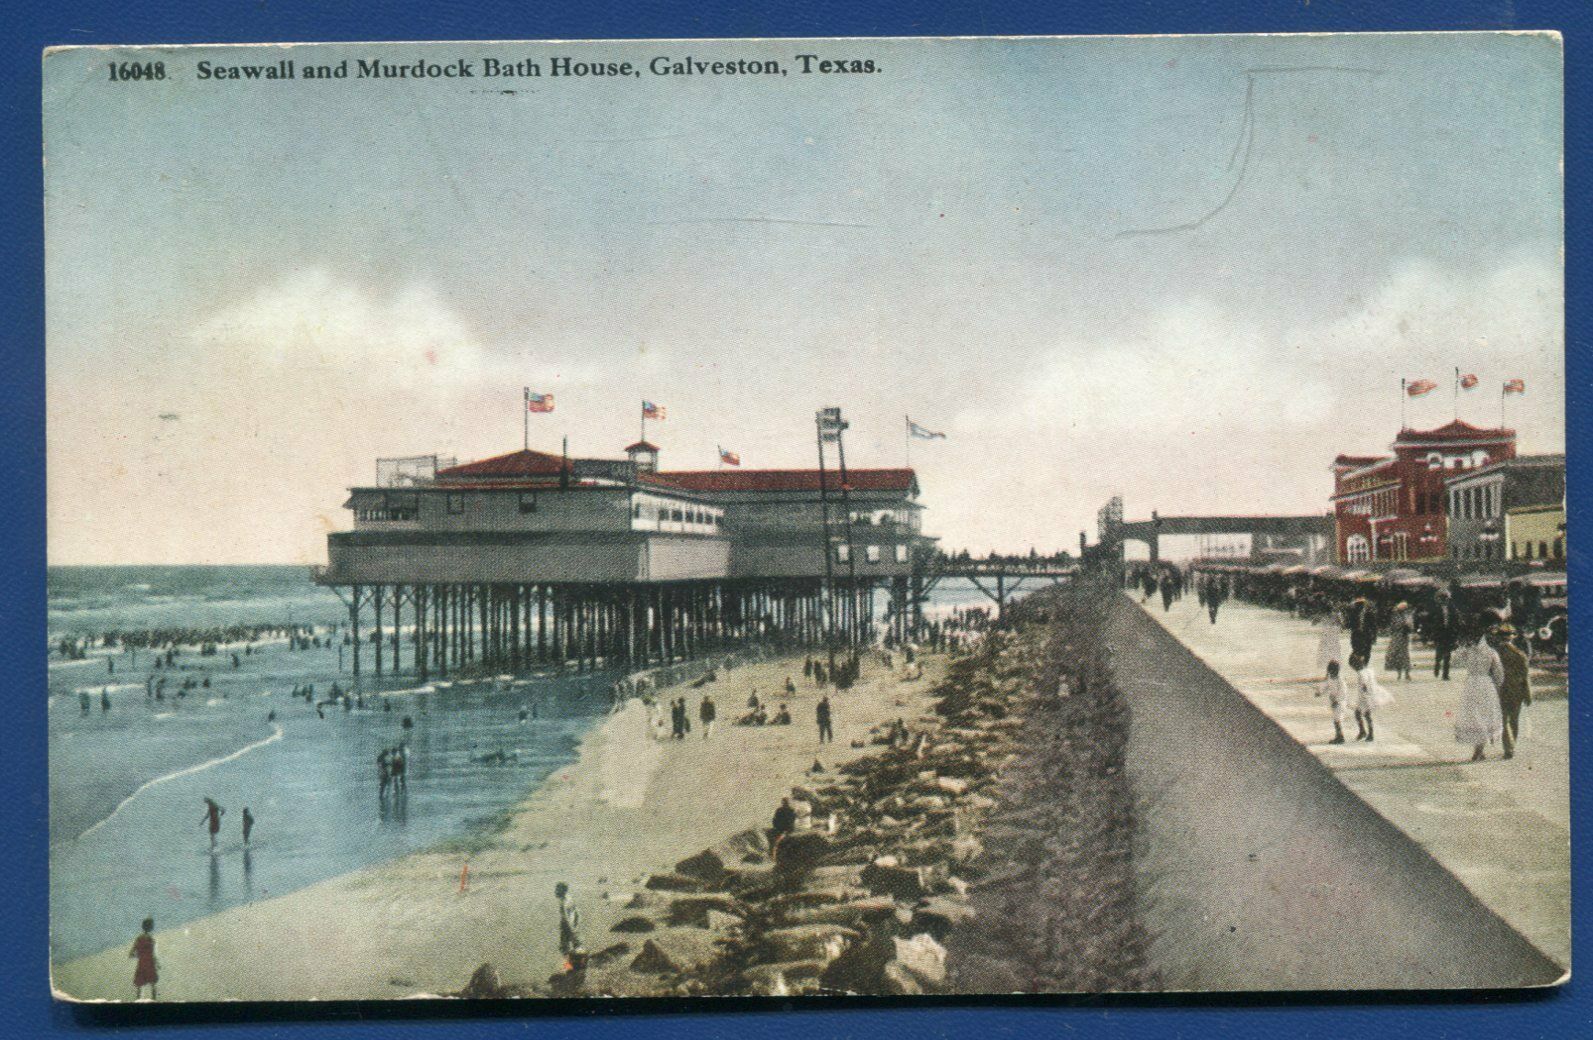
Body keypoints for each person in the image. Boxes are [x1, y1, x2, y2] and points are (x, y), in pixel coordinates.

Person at [1454, 626, 1505, 762]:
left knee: (1475, 716)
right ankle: (1479, 750)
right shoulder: (1491, 652)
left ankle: (1478, 750)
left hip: (1472, 684)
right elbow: (1499, 674)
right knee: (1483, 715)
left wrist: (1462, 648)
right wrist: (1497, 686)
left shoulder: (1468, 651)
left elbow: (1455, 662)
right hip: (1485, 684)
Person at [1493, 625, 1533, 760]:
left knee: (1503, 720)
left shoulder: (1494, 654)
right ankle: (1512, 746)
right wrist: (1528, 695)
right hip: (1517, 691)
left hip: (1500, 690)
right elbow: (1525, 676)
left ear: (1498, 637)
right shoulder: (1520, 654)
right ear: (1512, 637)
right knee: (1514, 720)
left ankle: (1508, 748)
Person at [1350, 652, 1392, 742]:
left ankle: (1368, 733)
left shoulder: (1361, 674)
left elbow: (1364, 686)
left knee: (1363, 715)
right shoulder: (1369, 670)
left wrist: (1365, 698)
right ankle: (1364, 731)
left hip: (1364, 697)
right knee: (1361, 714)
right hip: (1370, 695)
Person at [1429, 590, 1461, 681]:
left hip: (1449, 634)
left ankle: (1445, 675)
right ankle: (1437, 665)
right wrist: (1434, 634)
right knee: (1439, 654)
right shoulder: (1436, 608)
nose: (1444, 600)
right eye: (1442, 598)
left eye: (1446, 598)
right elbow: (1432, 622)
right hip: (1440, 634)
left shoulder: (1452, 608)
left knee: (1448, 655)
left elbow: (1456, 621)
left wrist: (1456, 635)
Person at [1316, 660, 1349, 745]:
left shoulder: (1340, 680)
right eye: (1330, 671)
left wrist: (1337, 701)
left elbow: (1343, 692)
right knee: (1336, 720)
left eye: (1333, 671)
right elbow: (1326, 686)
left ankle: (1340, 737)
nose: (1332, 673)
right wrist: (1319, 692)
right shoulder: (1330, 678)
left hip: (1340, 703)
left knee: (1338, 720)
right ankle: (1338, 736)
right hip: (1334, 702)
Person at [1384, 601, 1415, 681]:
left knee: (1404, 656)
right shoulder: (1395, 615)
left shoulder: (1407, 615)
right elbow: (1392, 626)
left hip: (1403, 638)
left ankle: (1407, 674)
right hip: (1397, 637)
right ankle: (1400, 673)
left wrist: (1408, 625)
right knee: (1397, 655)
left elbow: (1411, 627)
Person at [129, 917, 158, 1000]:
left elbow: (131, 954)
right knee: (153, 986)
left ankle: (138, 1003)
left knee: (139, 987)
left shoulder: (139, 939)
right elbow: (154, 954)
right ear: (151, 927)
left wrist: (140, 955)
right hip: (150, 964)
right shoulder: (151, 940)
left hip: (142, 964)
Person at [554, 882, 582, 959]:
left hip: (567, 926)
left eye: (557, 889)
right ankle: (580, 965)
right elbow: (577, 912)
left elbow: (566, 918)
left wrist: (571, 929)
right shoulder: (569, 898)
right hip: (573, 924)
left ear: (562, 890)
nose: (555, 891)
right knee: (576, 944)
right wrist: (576, 924)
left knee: (564, 949)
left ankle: (570, 966)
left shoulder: (563, 902)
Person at [1346, 596, 1378, 661]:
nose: (1359, 605)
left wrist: (1374, 637)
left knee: (1366, 652)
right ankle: (1358, 665)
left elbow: (1374, 626)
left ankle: (1364, 665)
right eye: (1358, 604)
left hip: (1366, 635)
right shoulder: (1353, 613)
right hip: (1357, 635)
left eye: (1361, 604)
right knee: (1357, 651)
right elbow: (1348, 624)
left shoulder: (1369, 613)